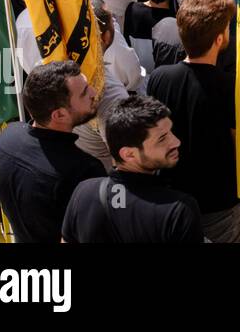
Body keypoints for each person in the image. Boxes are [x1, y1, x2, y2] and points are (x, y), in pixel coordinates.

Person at [146, 0, 240, 241]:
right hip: (218, 203)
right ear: (219, 39)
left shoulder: (160, 77)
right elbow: (239, 141)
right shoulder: (230, 87)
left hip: (171, 195)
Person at [62, 95, 203, 243]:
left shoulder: (84, 191)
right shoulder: (178, 210)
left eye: (170, 132)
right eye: (162, 139)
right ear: (129, 154)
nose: (176, 142)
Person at [0, 61, 104, 243]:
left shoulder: (7, 138)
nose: (93, 93)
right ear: (59, 115)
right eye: (84, 93)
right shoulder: (84, 170)